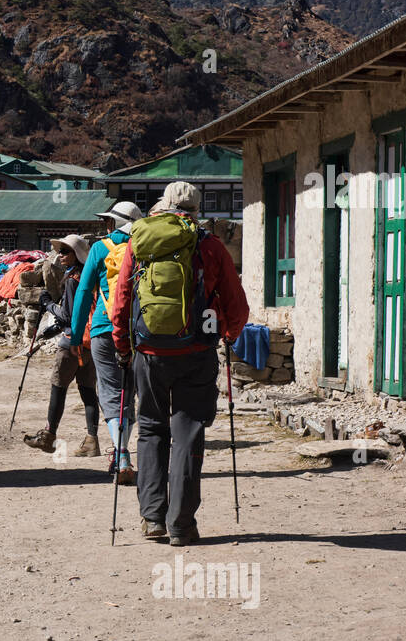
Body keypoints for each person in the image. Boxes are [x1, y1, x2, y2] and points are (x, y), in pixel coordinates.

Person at [109, 182, 249, 546]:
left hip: (149, 353)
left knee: (152, 430)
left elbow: (121, 300)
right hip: (196, 352)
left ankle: (152, 518)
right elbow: (237, 304)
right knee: (188, 433)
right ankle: (181, 525)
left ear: (164, 207)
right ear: (196, 209)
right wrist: (229, 335)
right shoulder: (211, 246)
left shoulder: (140, 243)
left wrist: (123, 347)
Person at [68, 200, 143, 485]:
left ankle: (121, 453)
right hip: (137, 332)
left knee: (110, 392)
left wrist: (76, 337)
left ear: (112, 223)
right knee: (130, 391)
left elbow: (84, 294)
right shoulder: (145, 247)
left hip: (102, 329)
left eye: (107, 221)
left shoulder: (99, 249)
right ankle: (124, 449)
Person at [22, 234, 100, 457]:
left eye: (66, 251)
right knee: (88, 392)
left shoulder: (74, 278)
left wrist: (47, 305)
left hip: (72, 341)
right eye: (60, 251)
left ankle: (48, 436)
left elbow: (67, 315)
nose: (61, 255)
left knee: (58, 387)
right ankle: (92, 441)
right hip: (90, 340)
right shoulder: (90, 275)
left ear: (77, 254)